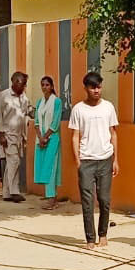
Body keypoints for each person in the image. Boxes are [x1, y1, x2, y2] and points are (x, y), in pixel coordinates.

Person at [68, 72, 120, 248]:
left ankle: (103, 234)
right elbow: (75, 136)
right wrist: (78, 162)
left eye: (99, 86)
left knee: (104, 199)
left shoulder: (108, 107)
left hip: (105, 159)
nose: (96, 90)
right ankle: (90, 238)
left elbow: (113, 133)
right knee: (87, 201)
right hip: (86, 161)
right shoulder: (78, 109)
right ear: (86, 88)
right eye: (93, 87)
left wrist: (115, 159)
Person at [0, 72, 33, 202]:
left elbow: (27, 109)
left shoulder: (23, 96)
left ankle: (6, 192)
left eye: (24, 84)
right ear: (14, 81)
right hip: (7, 135)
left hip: (20, 135)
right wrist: (1, 135)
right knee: (14, 162)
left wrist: (35, 112)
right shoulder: (4, 95)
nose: (23, 86)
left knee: (11, 165)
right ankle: (14, 191)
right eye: (21, 83)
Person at [33, 76, 64, 209]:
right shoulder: (40, 102)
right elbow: (36, 122)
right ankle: (52, 196)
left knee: (51, 167)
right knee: (43, 167)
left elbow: (55, 122)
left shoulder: (57, 102)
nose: (44, 87)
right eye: (43, 85)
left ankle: (52, 199)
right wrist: (40, 137)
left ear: (51, 86)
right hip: (40, 140)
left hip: (52, 138)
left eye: (47, 85)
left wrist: (46, 137)